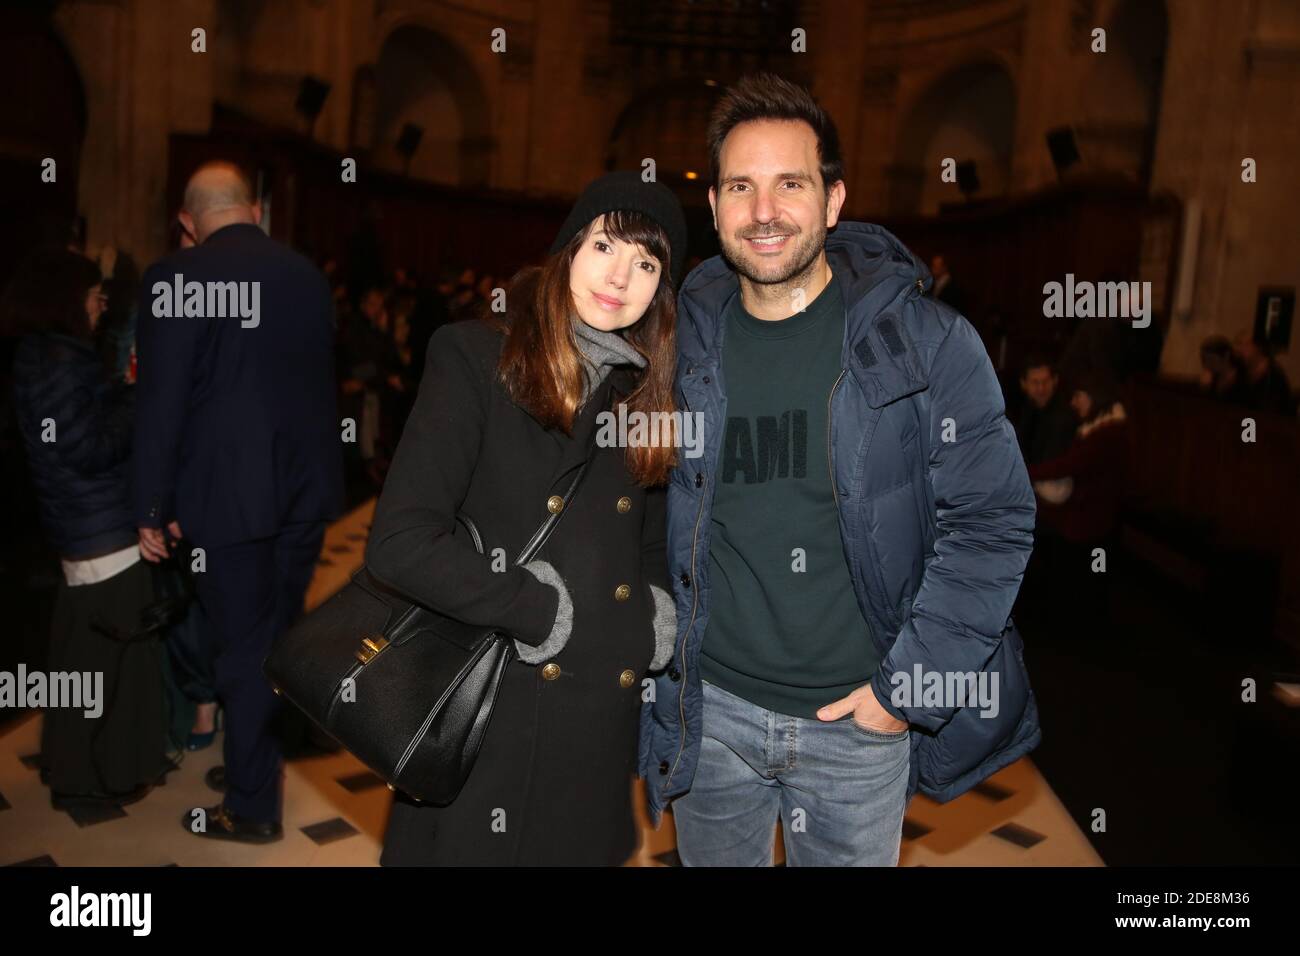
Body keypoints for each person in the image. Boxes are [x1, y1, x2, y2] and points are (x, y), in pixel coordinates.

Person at [639, 72, 1040, 866]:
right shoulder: (676, 347)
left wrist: (904, 692)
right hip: (710, 717)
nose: (763, 212)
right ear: (713, 206)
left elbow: (993, 523)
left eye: (791, 183)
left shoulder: (928, 343)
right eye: (740, 187)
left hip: (857, 730)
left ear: (833, 199)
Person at [368, 171, 686, 865]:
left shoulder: (646, 398)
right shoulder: (478, 357)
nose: (619, 276)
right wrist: (537, 610)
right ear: (569, 248)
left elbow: (652, 542)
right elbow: (399, 542)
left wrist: (657, 621)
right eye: (605, 246)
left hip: (600, 719)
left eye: (646, 263)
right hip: (492, 706)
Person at [132, 160, 345, 843]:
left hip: (227, 498)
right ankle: (255, 766)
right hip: (305, 494)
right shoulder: (306, 275)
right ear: (254, 209)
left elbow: (160, 405)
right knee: (275, 643)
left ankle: (252, 807)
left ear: (187, 223)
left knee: (243, 651)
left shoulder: (176, 277)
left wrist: (149, 503)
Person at [4, 248, 168, 810]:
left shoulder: (40, 354)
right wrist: (141, 401)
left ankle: (74, 770)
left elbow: (79, 429)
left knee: (79, 661)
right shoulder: (61, 360)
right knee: (120, 663)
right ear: (65, 298)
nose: (102, 303)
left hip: (78, 526)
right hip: (103, 532)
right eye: (94, 294)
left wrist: (120, 398)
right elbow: (88, 445)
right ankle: (107, 774)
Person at [1015, 353, 1077, 466]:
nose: (1041, 388)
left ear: (1055, 381)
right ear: (1024, 384)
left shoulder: (1064, 416)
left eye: (1046, 381)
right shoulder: (1024, 410)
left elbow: (1051, 462)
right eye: (1035, 382)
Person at [1231, 331, 1295, 416]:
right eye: (1237, 344)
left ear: (1258, 347)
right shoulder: (1240, 372)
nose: (1238, 349)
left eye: (1244, 345)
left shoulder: (1274, 377)